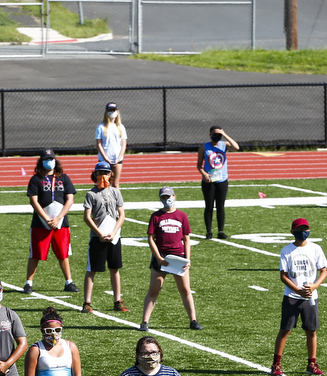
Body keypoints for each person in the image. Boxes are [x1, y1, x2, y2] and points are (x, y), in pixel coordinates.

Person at [271, 218, 327, 376]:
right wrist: (298, 290)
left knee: (311, 330)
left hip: (311, 296)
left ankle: (312, 363)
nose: (303, 232)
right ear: (292, 232)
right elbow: (283, 276)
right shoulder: (287, 250)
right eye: (300, 229)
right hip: (292, 296)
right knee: (285, 330)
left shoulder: (315, 248)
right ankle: (276, 364)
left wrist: (315, 286)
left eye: (306, 229)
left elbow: (323, 271)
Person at [141, 187, 202, 332]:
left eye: (168, 196)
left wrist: (187, 259)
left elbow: (186, 239)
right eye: (163, 197)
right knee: (154, 290)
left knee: (185, 290)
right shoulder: (156, 216)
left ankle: (193, 320)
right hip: (162, 257)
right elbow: (151, 239)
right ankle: (144, 322)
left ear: (174, 196)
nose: (166, 200)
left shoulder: (182, 216)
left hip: (178, 258)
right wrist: (159, 258)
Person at [24, 149, 79, 295]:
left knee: (63, 253)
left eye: (51, 158)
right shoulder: (36, 179)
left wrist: (59, 217)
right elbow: (34, 201)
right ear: (41, 161)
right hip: (40, 223)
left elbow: (70, 199)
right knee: (35, 253)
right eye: (46, 159)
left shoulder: (64, 178)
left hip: (61, 222)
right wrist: (47, 219)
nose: (49, 161)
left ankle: (69, 282)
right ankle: (28, 283)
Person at [81, 161, 128, 314]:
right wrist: (99, 233)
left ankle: (117, 301)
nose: (103, 176)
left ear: (110, 174)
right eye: (100, 173)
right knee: (92, 269)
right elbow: (87, 217)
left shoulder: (115, 192)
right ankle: (87, 303)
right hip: (97, 237)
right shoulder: (91, 194)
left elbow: (121, 215)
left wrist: (114, 232)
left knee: (115, 268)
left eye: (106, 173)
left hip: (114, 236)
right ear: (95, 175)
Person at [197, 125, 240, 239]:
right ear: (210, 135)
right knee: (209, 206)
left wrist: (224, 135)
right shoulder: (204, 147)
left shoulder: (224, 145)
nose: (217, 137)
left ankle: (221, 231)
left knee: (220, 206)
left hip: (222, 180)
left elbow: (236, 147)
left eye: (218, 135)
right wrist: (204, 174)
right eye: (214, 134)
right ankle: (209, 232)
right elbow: (199, 165)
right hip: (209, 181)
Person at [95, 101, 128, 186]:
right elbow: (99, 144)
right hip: (104, 160)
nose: (112, 113)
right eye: (110, 110)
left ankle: (117, 199)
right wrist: (106, 158)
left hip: (117, 159)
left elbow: (123, 144)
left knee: (115, 183)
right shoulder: (101, 127)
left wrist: (118, 158)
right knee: (104, 183)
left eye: (114, 110)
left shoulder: (121, 127)